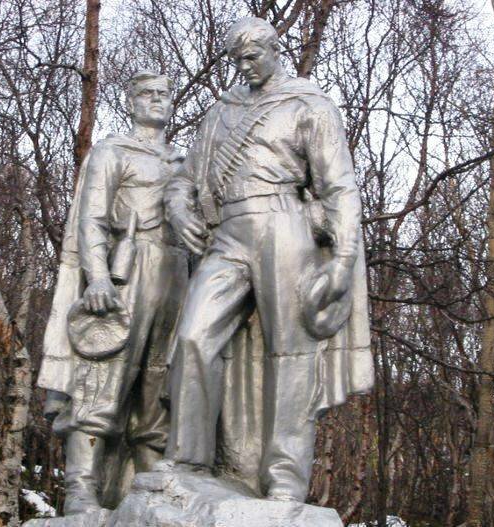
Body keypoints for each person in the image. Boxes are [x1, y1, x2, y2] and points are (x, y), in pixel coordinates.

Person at [163, 17, 374, 502]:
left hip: (284, 225)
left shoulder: (308, 104)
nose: (245, 65)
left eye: (253, 55)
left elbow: (338, 185)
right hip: (227, 235)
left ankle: (285, 477)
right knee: (194, 336)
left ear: (276, 49)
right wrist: (179, 211)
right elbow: (183, 180)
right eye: (237, 58)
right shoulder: (219, 112)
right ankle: (189, 460)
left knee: (290, 353)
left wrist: (342, 258)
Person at [37, 71, 188, 514]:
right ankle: (80, 487)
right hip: (128, 269)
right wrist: (98, 276)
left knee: (160, 383)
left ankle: (151, 487)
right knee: (103, 375)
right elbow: (92, 218)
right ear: (131, 102)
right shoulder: (112, 151)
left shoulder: (185, 161)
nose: (156, 100)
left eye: (164, 94)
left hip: (177, 271)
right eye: (147, 93)